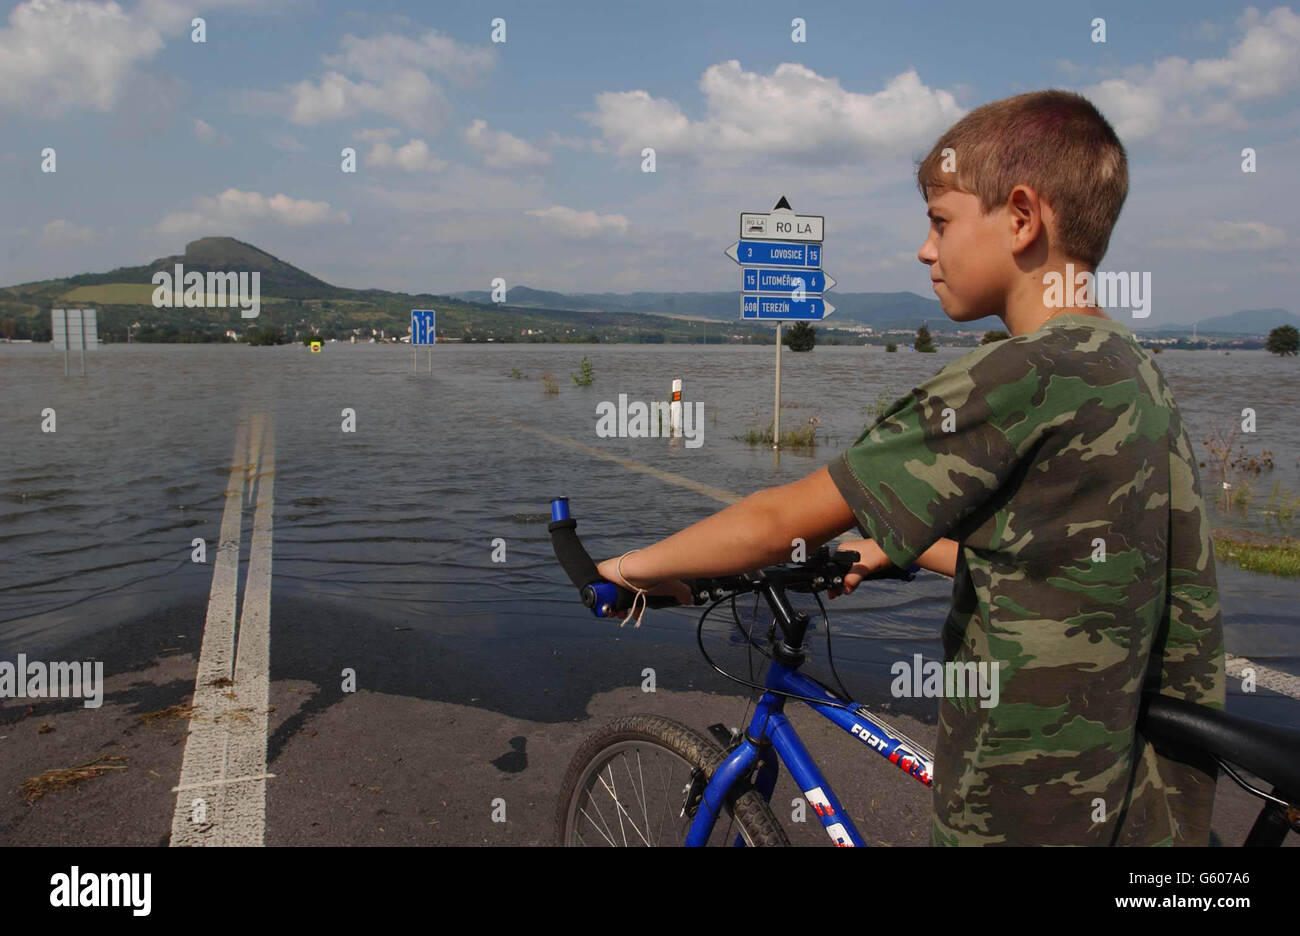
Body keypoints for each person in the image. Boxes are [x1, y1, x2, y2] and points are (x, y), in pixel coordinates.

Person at [595, 89, 1224, 846]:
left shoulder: (1022, 374)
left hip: (1020, 803)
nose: (925, 250)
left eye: (940, 221)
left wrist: (630, 567)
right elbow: (1068, 566)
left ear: (1021, 219)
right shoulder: (1131, 367)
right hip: (1137, 807)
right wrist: (890, 544)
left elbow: (774, 522)